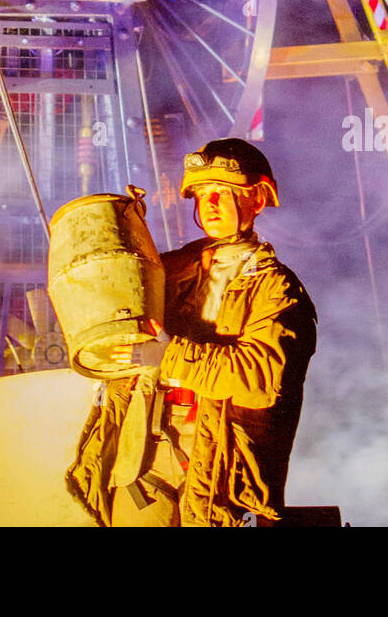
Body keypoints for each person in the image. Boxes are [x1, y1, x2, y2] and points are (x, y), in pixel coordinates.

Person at [67, 139, 317, 526]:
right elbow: (114, 308)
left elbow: (261, 378)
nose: (210, 204)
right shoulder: (174, 270)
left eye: (224, 193)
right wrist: (124, 235)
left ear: (257, 199)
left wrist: (168, 356)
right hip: (142, 448)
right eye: (201, 195)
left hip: (215, 459)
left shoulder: (277, 291)